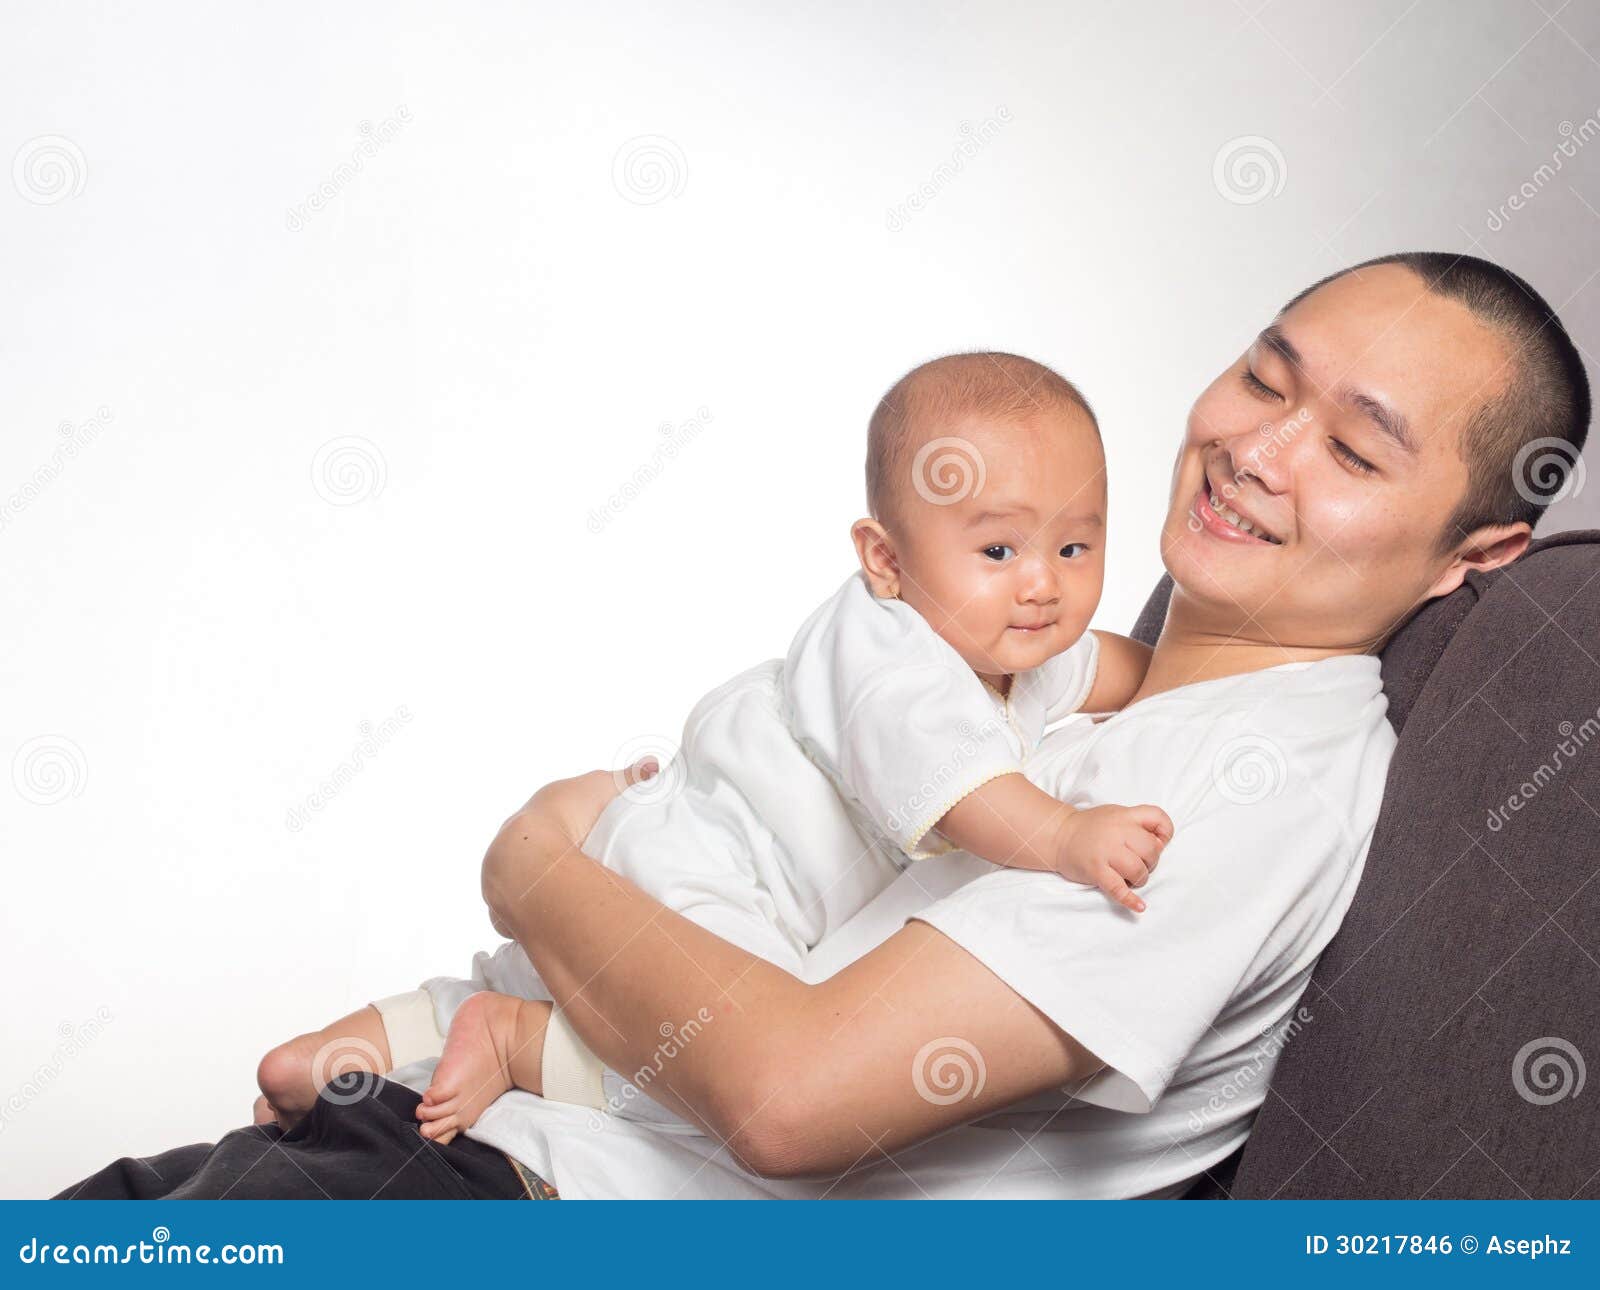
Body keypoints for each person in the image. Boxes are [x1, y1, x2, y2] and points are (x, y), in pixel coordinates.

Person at [58, 251, 1589, 1200]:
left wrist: (532, 863)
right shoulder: (1073, 669)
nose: (1254, 447)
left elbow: (791, 1097)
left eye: (1349, 447)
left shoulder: (1258, 785)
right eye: (1265, 374)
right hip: (454, 1141)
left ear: (1478, 546)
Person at [249, 352, 1173, 1142]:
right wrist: (1063, 838)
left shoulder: (1015, 645)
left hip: (650, 850)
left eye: (1077, 548)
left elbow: (1122, 670)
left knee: (527, 971)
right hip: (713, 884)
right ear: (885, 560)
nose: (1043, 587)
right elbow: (967, 792)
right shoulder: (893, 657)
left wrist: (1201, 675)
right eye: (1000, 552)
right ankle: (512, 1043)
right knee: (715, 1066)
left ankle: (314, 1064)